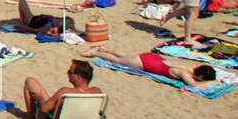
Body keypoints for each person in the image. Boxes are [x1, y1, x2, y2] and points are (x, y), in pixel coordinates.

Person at [10, 60, 102, 119]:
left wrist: (39, 98)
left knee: (30, 82)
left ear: (77, 77)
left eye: (70, 72)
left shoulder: (65, 92)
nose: (67, 74)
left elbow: (44, 108)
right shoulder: (97, 91)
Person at [80, 46, 216, 87]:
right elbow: (193, 85)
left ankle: (105, 48)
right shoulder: (184, 74)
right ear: (201, 76)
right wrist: (213, 82)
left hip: (154, 59)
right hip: (148, 64)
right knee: (118, 61)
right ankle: (95, 53)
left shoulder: (191, 66)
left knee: (126, 55)